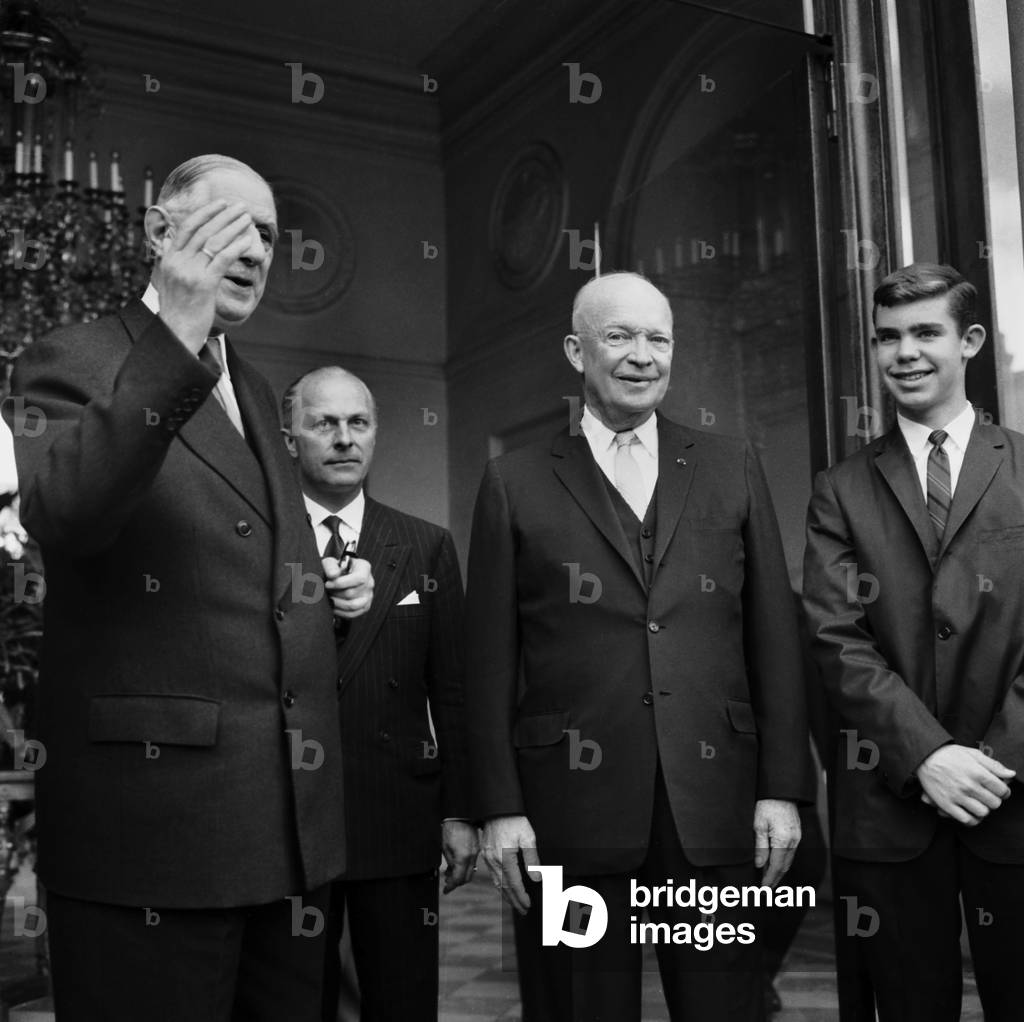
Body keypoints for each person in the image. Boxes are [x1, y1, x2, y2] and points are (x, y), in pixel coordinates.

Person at [2, 154, 373, 1022]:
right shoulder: (72, 357)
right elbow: (69, 512)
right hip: (152, 841)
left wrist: (324, 590)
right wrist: (173, 331)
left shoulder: (251, 386)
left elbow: (238, 563)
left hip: (288, 843)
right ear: (160, 234)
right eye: (228, 225)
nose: (254, 249)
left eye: (269, 236)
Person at [463, 271, 812, 1021]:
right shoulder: (513, 482)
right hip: (566, 810)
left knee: (725, 1008)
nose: (642, 355)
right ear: (576, 350)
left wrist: (782, 786)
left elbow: (774, 639)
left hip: (714, 802)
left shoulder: (732, 464)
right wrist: (498, 806)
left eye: (658, 337)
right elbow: (486, 660)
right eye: (619, 336)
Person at [803, 262, 1024, 1022]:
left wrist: (990, 763)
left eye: (925, 332)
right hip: (891, 804)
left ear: (969, 341)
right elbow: (835, 637)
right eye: (888, 337)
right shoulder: (839, 489)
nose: (905, 352)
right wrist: (927, 754)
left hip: (1016, 797)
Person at [281, 366, 478, 1022]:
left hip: (396, 813)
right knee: (291, 1001)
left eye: (357, 423)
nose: (343, 438)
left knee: (402, 999)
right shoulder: (260, 542)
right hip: (283, 819)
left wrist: (459, 812)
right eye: (324, 423)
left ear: (375, 434)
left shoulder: (427, 546)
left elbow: (454, 690)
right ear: (290, 438)